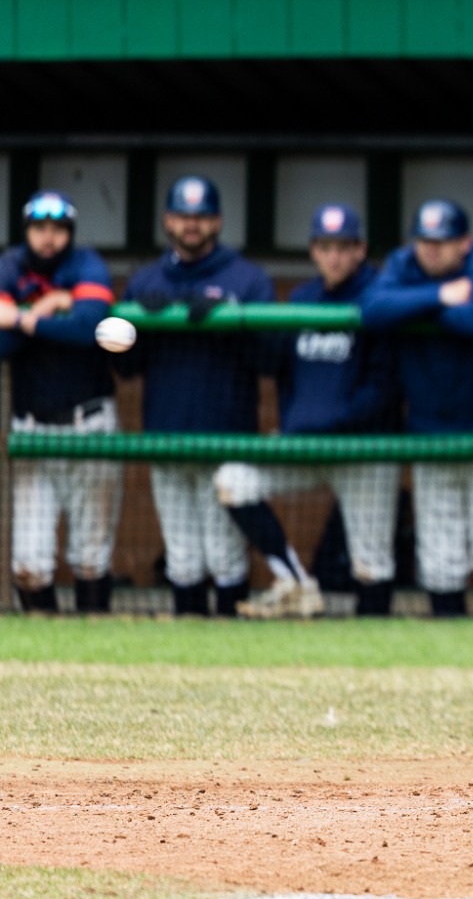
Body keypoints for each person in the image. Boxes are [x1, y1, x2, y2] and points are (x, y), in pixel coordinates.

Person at [220, 204, 402, 619]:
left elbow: (384, 386)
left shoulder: (380, 298)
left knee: (370, 566)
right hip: (305, 444)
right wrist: (229, 317)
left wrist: (322, 424)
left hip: (364, 451)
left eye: (343, 247)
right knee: (233, 481)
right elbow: (276, 366)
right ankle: (297, 584)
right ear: (313, 251)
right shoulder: (302, 299)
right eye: (325, 247)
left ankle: (377, 655)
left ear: (361, 250)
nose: (334, 257)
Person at [359, 199, 473, 618]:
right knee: (440, 559)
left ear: (465, 243)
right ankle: (447, 655)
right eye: (425, 242)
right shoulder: (402, 264)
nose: (431, 250)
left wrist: (414, 306)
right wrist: (441, 296)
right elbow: (373, 310)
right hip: (431, 430)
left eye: (443, 242)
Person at [122, 175, 275, 617]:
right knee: (183, 554)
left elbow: (271, 358)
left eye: (202, 217)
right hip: (166, 436)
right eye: (183, 216)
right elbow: (125, 367)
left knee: (224, 552)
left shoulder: (247, 279)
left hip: (226, 437)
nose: (192, 225)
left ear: (218, 221)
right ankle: (188, 645)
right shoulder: (146, 280)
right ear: (168, 221)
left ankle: (230, 644)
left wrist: (230, 319)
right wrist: (139, 327)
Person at [0, 191, 120, 612]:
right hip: (33, 430)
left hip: (90, 423)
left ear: (68, 232)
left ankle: (95, 649)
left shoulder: (85, 263)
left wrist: (25, 317)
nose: (48, 238)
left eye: (57, 229)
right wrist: (52, 308)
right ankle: (51, 648)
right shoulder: (10, 265)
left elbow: (91, 327)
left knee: (91, 556)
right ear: (27, 231)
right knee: (28, 563)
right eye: (39, 229)